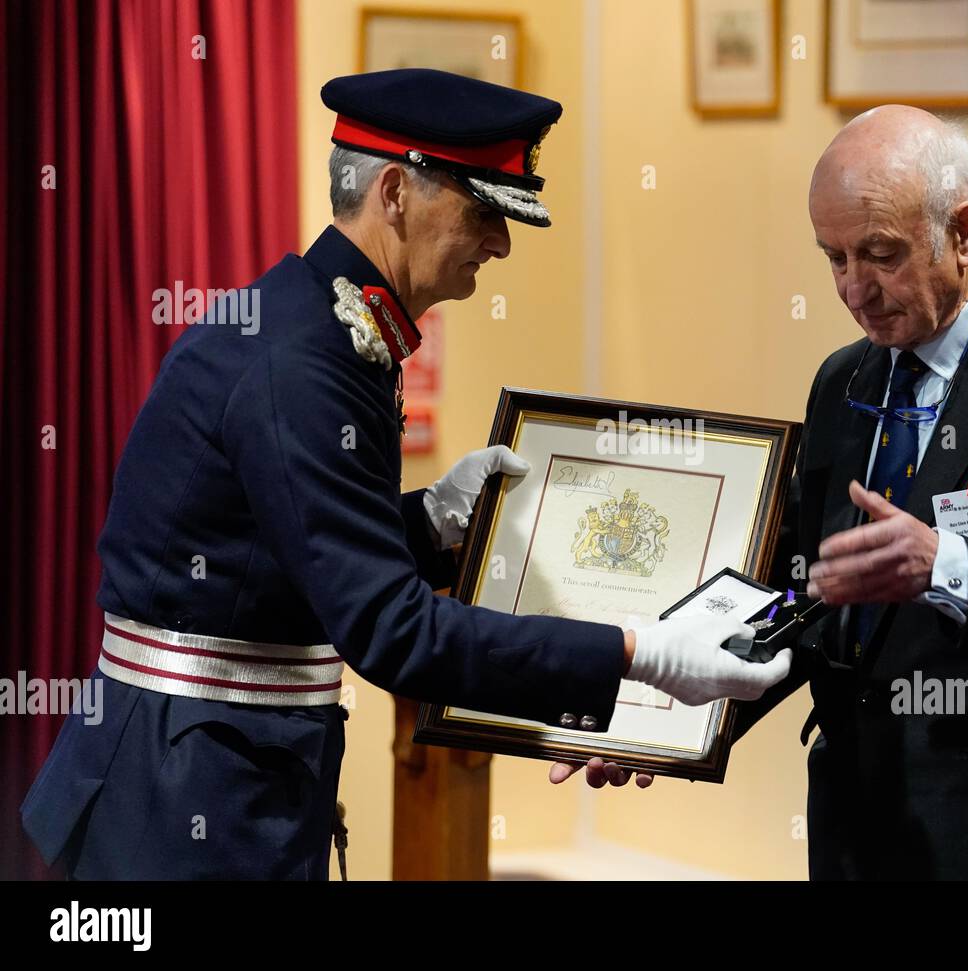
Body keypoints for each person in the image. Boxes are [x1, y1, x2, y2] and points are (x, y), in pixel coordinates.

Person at [21, 68, 789, 880]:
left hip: (219, 767)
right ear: (395, 191)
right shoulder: (302, 361)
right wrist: (641, 652)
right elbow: (393, 632)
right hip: (186, 799)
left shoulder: (323, 326)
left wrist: (426, 523)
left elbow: (278, 554)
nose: (500, 242)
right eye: (484, 211)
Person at [556, 105, 968, 880]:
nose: (855, 288)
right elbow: (800, 596)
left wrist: (948, 567)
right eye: (834, 257)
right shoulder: (842, 380)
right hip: (858, 831)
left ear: (962, 231)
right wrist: (651, 716)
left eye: (880, 254)